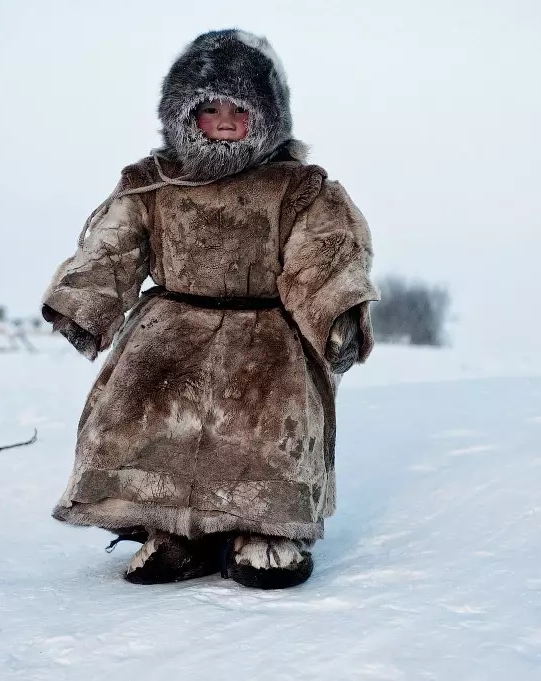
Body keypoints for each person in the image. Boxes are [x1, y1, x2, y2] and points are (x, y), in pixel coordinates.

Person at [42, 29, 378, 589]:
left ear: (269, 117)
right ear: (181, 115)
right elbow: (114, 242)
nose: (223, 121)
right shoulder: (154, 184)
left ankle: (268, 532)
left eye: (239, 110)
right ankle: (175, 531)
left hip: (267, 334)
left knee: (266, 434)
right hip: (170, 330)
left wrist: (337, 310)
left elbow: (325, 251)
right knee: (146, 421)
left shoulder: (297, 189)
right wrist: (86, 300)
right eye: (208, 109)